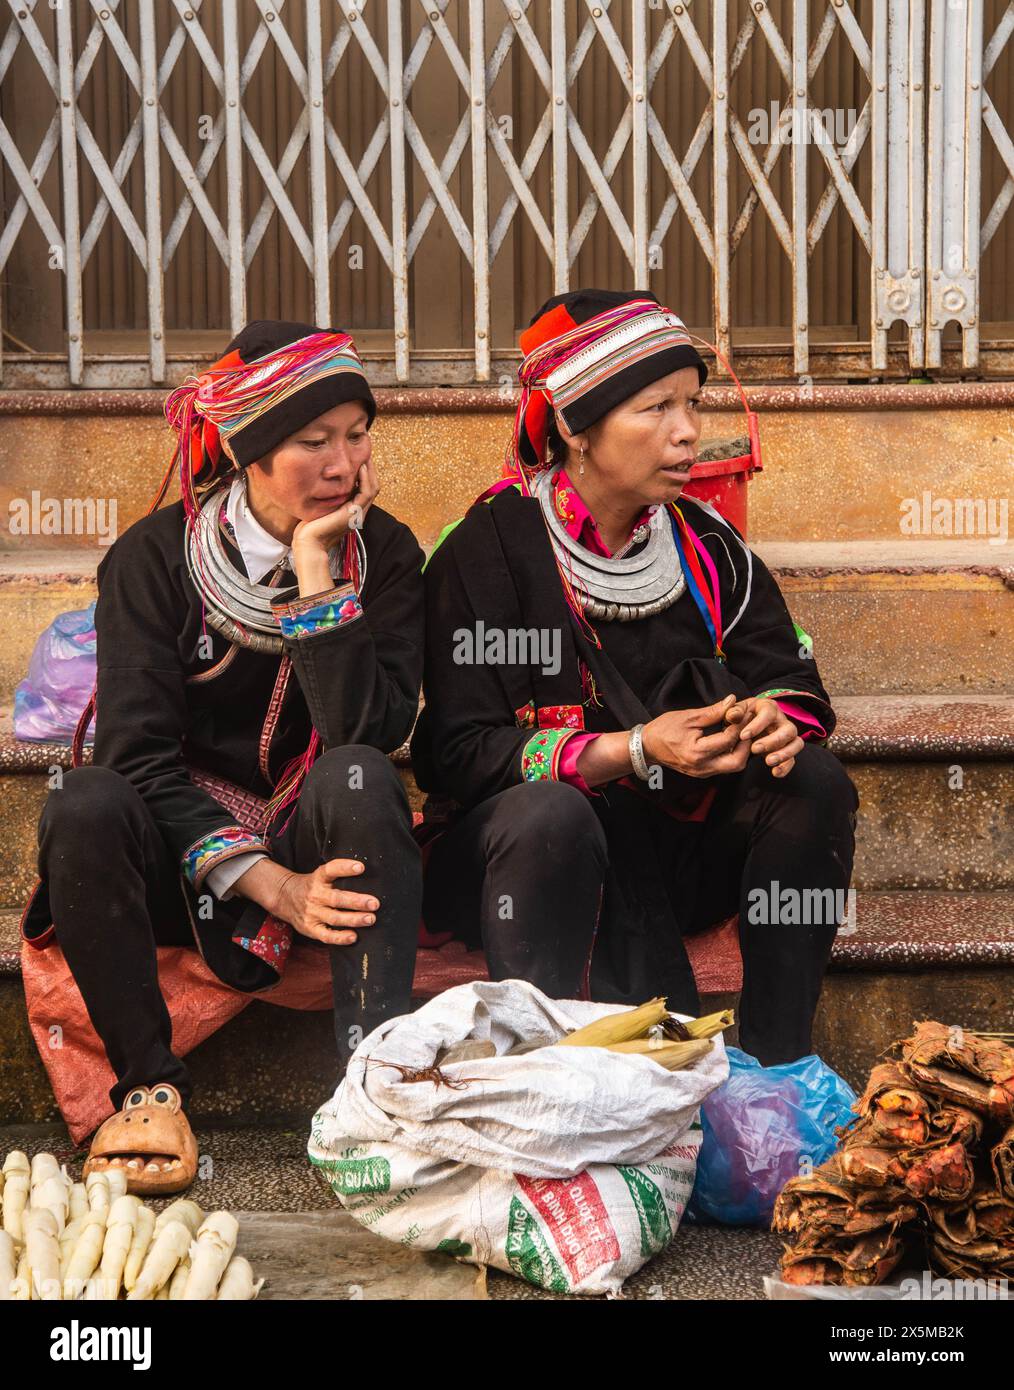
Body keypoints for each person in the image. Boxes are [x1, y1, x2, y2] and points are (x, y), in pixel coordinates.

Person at [21, 320, 424, 1193]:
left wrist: (318, 575)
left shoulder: (384, 554)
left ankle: (372, 1089)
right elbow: (139, 757)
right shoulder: (153, 559)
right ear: (247, 451)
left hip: (324, 834)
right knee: (85, 802)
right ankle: (149, 1088)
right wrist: (266, 883)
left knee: (357, 776)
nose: (341, 465)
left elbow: (371, 728)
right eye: (312, 441)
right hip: (187, 859)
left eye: (357, 436)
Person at [412, 289, 859, 1066]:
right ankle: (547, 1079)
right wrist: (633, 749)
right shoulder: (486, 551)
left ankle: (777, 1064)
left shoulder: (704, 542)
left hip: (675, 845)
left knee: (812, 782)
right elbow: (455, 752)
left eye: (692, 404)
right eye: (655, 409)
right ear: (577, 429)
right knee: (553, 815)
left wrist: (777, 721)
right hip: (528, 862)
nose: (687, 433)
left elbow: (789, 675)